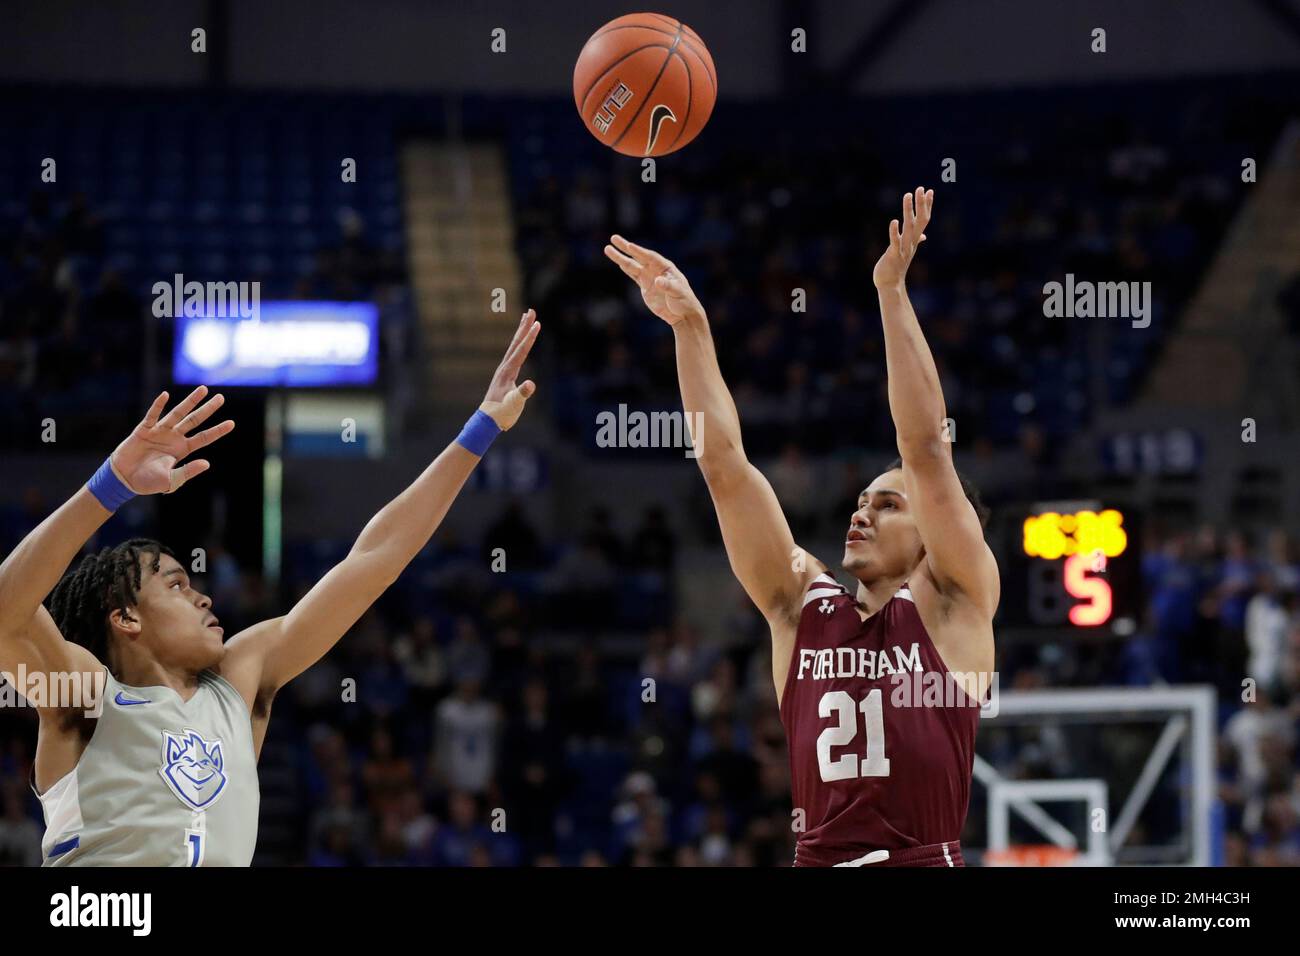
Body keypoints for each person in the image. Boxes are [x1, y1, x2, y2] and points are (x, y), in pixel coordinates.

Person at [0, 311, 541, 865]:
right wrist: (108, 486)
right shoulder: (87, 696)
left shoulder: (239, 680)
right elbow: (5, 615)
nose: (204, 596)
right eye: (177, 586)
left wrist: (480, 428)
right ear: (126, 618)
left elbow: (375, 560)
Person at [605, 188, 998, 867]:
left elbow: (927, 450)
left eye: (888, 505)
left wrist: (890, 292)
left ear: (934, 532)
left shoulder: (953, 600)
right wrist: (690, 329)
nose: (861, 512)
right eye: (862, 500)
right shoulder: (799, 606)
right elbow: (725, 468)